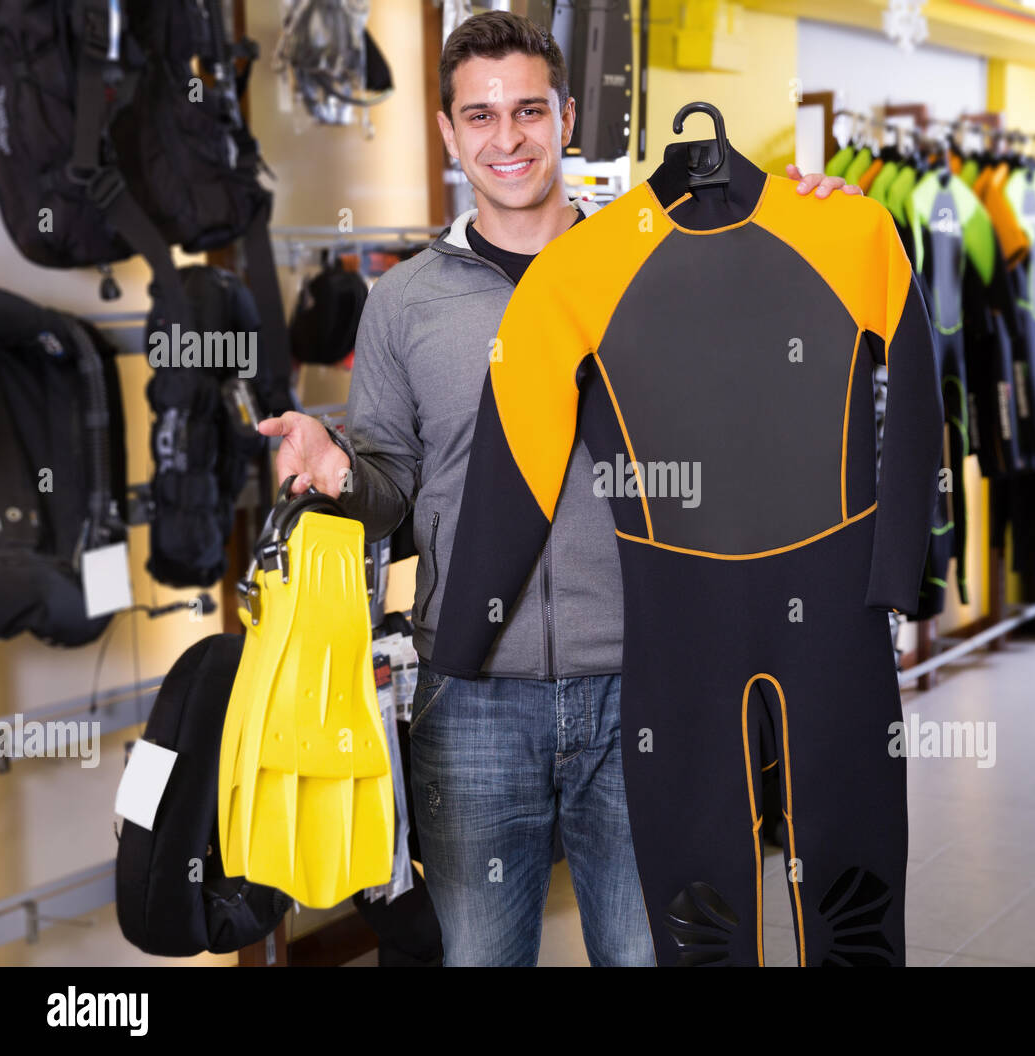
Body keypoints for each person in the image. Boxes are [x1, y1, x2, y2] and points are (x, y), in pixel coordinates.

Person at [258, 9, 857, 966]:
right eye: (481, 116)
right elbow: (397, 493)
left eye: (529, 110)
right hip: (472, 700)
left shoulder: (659, 264)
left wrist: (817, 218)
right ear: (451, 133)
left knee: (646, 953)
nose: (508, 138)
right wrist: (338, 474)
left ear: (568, 118)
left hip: (646, 685)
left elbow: (766, 417)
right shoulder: (404, 304)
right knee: (482, 958)